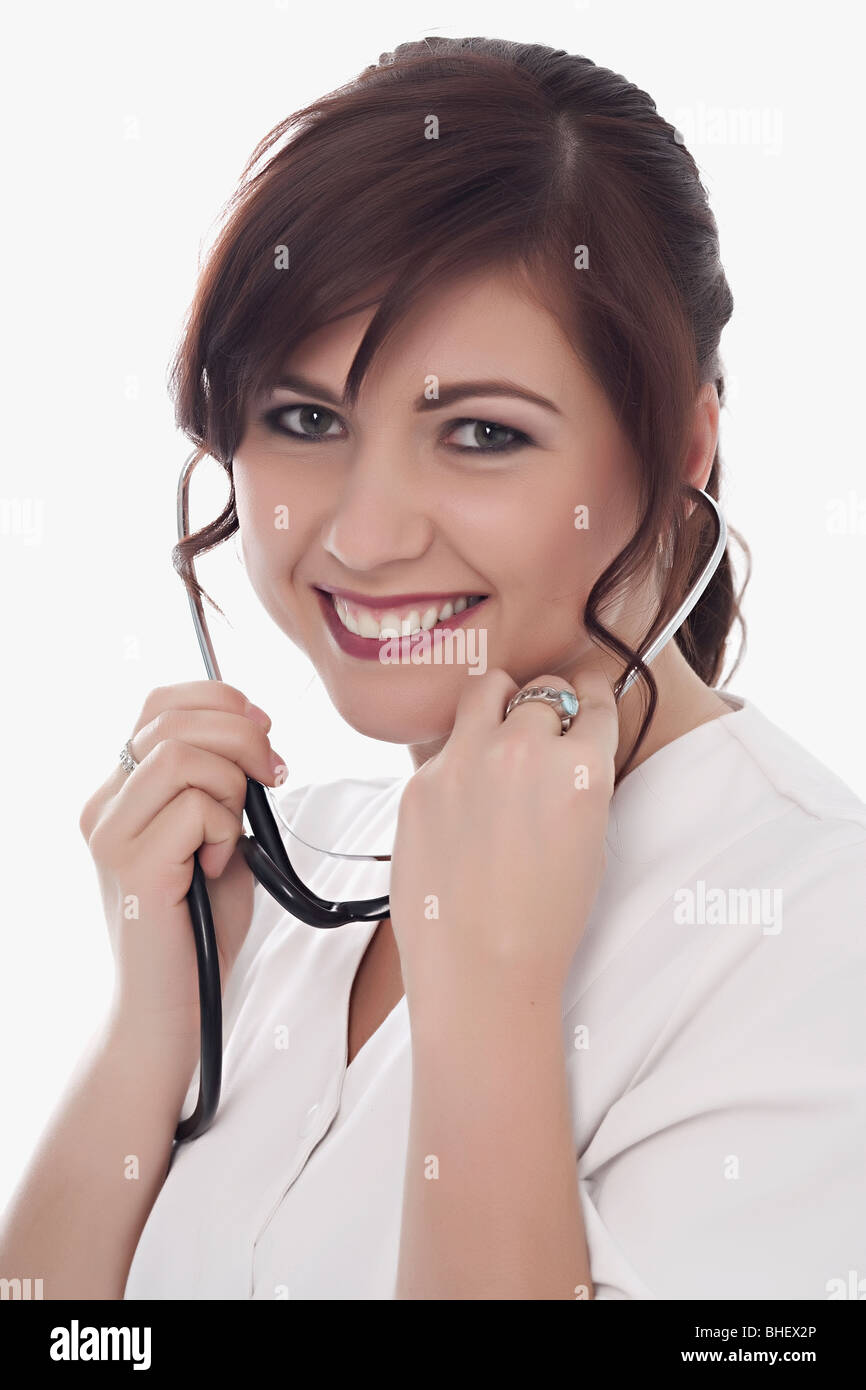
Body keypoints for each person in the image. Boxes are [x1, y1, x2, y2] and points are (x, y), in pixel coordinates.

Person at [1, 36, 863, 1301]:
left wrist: (491, 1008)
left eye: (479, 432)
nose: (361, 536)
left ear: (679, 449)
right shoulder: (279, 876)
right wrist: (153, 1029)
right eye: (304, 419)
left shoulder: (812, 936)